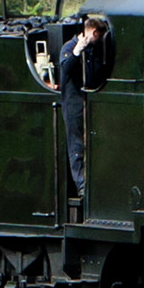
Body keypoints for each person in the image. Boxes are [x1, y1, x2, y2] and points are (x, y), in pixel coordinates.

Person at [54, 14, 105, 204]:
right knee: (76, 145)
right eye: (100, 36)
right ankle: (81, 185)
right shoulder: (69, 47)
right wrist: (76, 53)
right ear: (94, 32)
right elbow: (66, 70)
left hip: (88, 101)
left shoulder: (93, 51)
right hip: (74, 103)